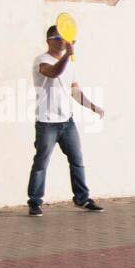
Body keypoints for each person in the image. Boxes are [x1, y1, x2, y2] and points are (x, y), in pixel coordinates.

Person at [27, 25, 106, 217]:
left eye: (65, 38)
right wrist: (67, 56)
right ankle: (35, 202)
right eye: (58, 38)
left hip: (67, 121)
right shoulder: (42, 60)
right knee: (41, 163)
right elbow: (53, 72)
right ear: (49, 40)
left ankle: (82, 198)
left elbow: (74, 90)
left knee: (77, 160)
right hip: (46, 121)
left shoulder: (71, 64)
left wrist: (92, 106)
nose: (63, 41)